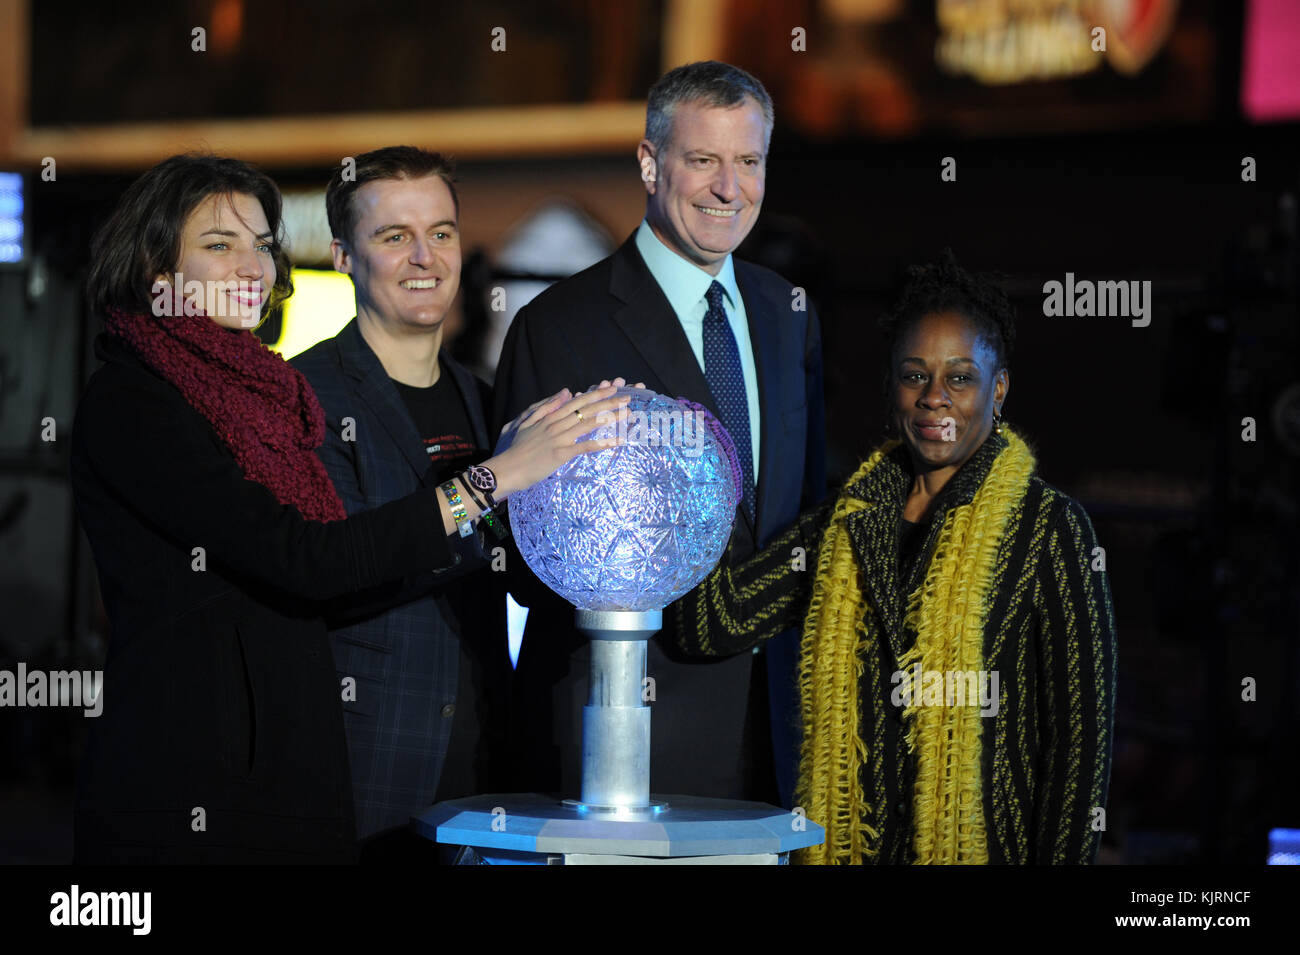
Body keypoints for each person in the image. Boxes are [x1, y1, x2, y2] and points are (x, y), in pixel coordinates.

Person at [70, 153, 628, 863]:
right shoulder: (163, 400)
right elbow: (312, 560)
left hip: (458, 764)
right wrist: (494, 479)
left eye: (263, 245)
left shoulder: (272, 397)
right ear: (157, 271)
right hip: (230, 784)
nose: (251, 266)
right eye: (219, 245)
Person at [675, 252, 1117, 863]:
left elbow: (1078, 746)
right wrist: (687, 474)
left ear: (1000, 388)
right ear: (892, 387)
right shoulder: (847, 521)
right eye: (915, 375)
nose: (935, 398)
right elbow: (713, 621)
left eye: (960, 377)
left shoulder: (1051, 529)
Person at [493, 60, 826, 805]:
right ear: (650, 164)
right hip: (619, 740)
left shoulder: (788, 311)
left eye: (749, 162)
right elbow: (522, 559)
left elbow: (801, 515)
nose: (728, 188)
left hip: (769, 730)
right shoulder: (558, 328)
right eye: (702, 160)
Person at [290, 146, 506, 860]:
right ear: (344, 256)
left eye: (441, 232)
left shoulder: (487, 401)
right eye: (395, 237)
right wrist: (499, 478)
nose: (425, 257)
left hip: (485, 772)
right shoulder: (305, 396)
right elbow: (340, 571)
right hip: (366, 772)